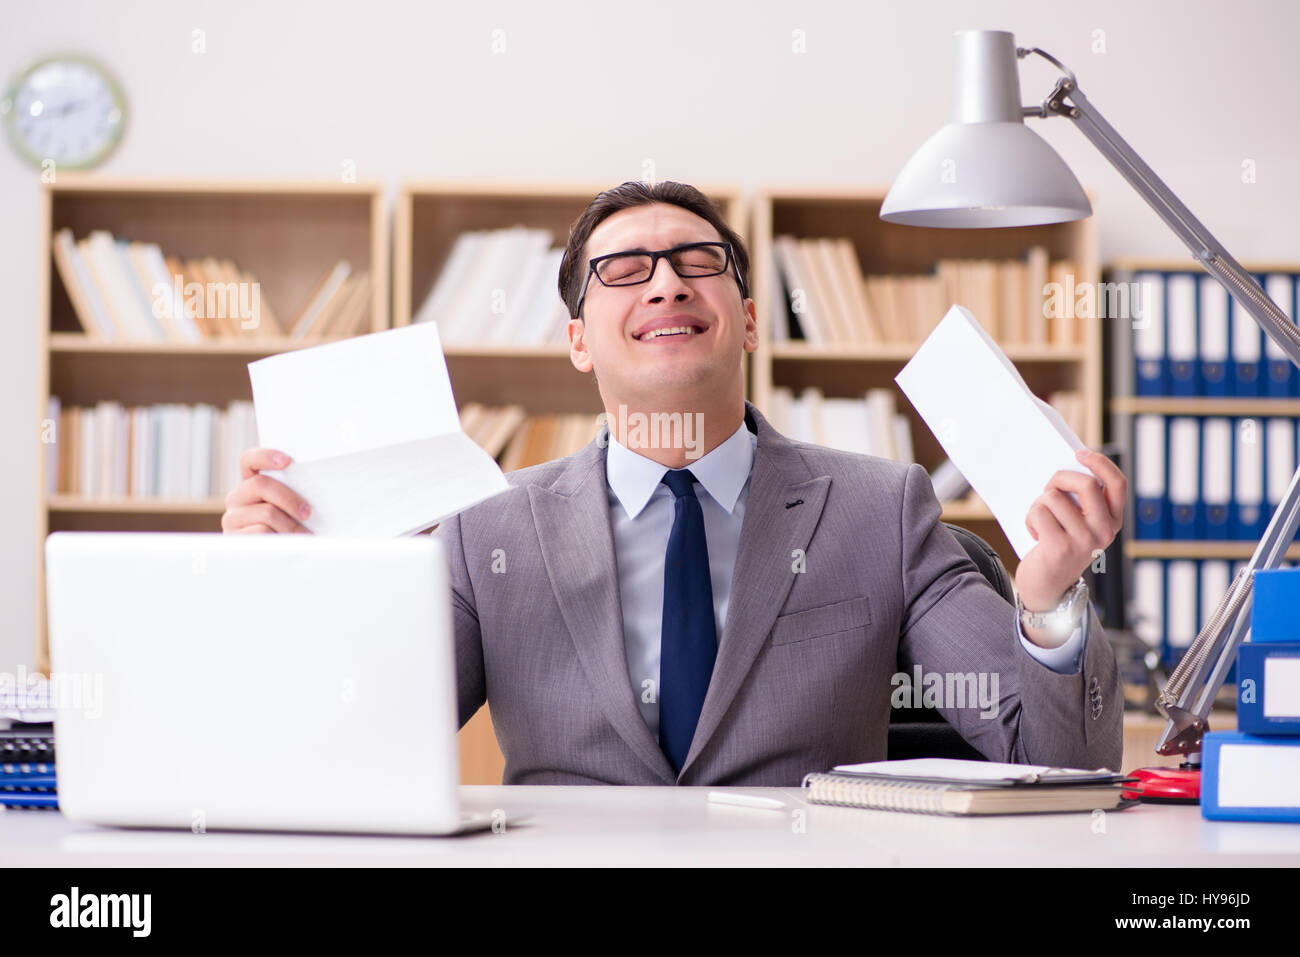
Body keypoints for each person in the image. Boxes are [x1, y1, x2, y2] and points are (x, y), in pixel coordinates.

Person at [223, 180, 1128, 786]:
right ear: (579, 339)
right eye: (623, 270)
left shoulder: (882, 510)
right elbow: (353, 751)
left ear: (747, 320)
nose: (664, 284)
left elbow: (1059, 757)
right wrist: (295, 592)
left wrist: (1048, 601)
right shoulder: (485, 528)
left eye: (698, 262)